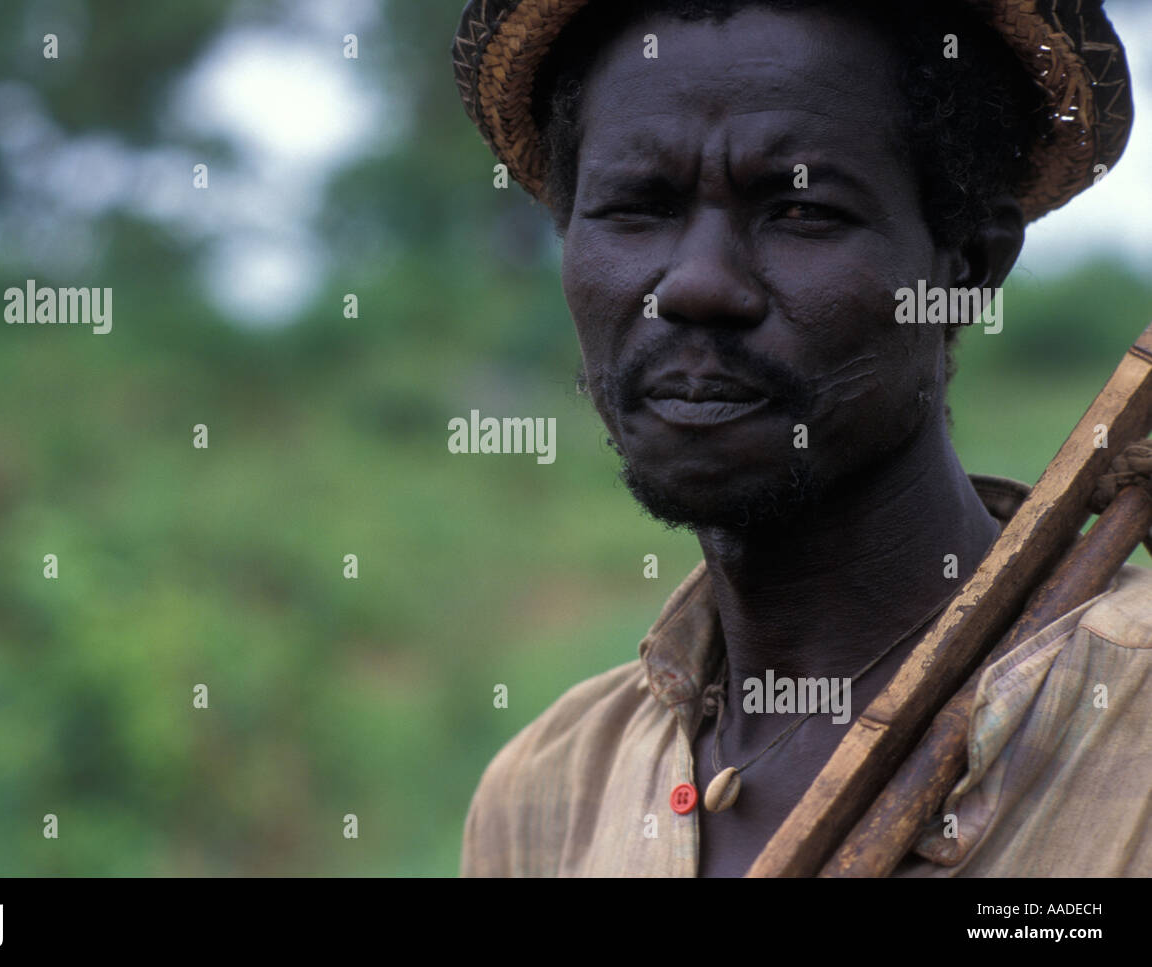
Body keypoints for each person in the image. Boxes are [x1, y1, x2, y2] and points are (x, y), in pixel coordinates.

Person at [451, 0, 1151, 876]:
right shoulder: (543, 800)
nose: (697, 287)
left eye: (800, 210)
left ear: (967, 266)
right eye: (636, 206)